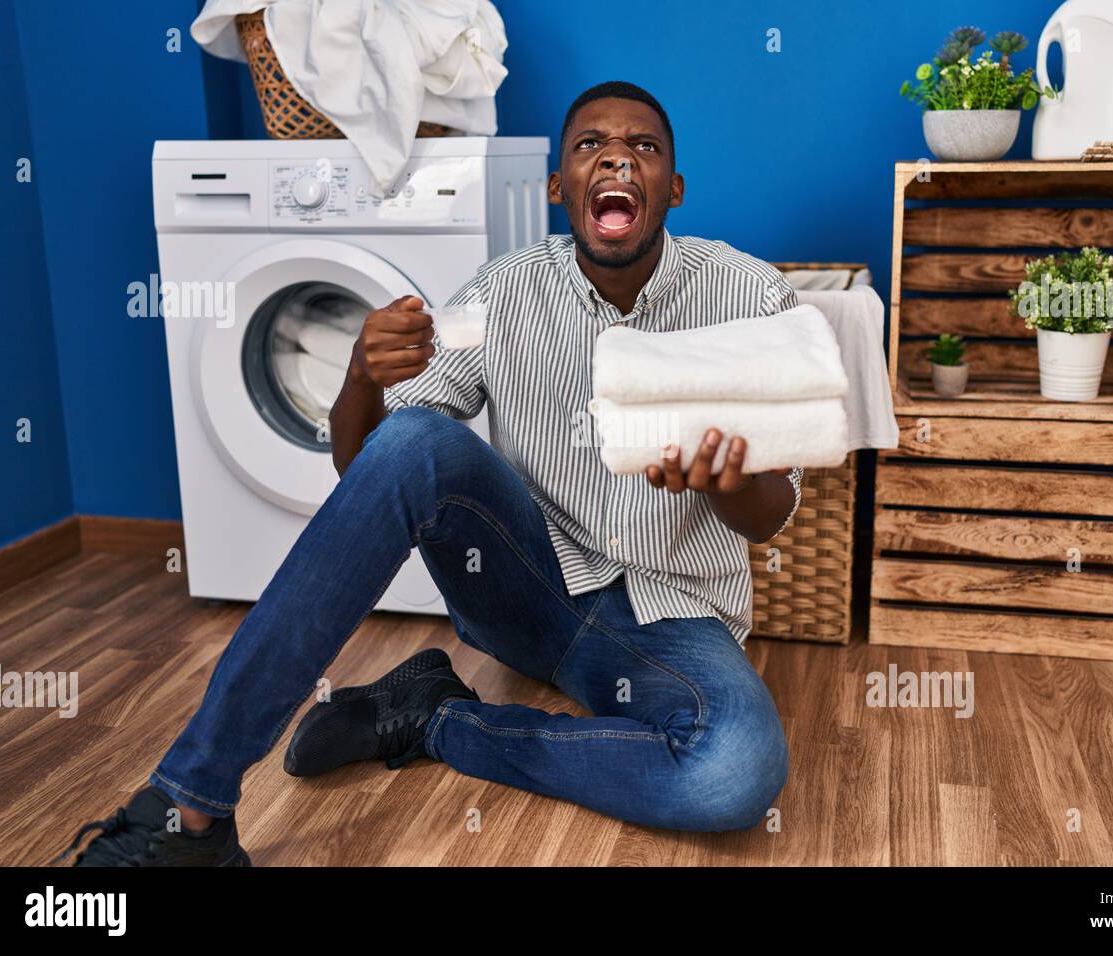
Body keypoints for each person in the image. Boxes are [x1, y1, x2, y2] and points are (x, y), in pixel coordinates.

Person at [56, 80, 801, 867]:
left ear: (673, 188)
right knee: (415, 435)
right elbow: (371, 469)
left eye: (643, 147)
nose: (616, 156)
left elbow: (773, 511)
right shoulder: (501, 292)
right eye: (589, 145)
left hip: (670, 621)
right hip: (526, 591)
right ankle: (187, 809)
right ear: (559, 187)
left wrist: (731, 484)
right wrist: (358, 375)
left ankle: (436, 718)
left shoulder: (750, 295)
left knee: (735, 772)